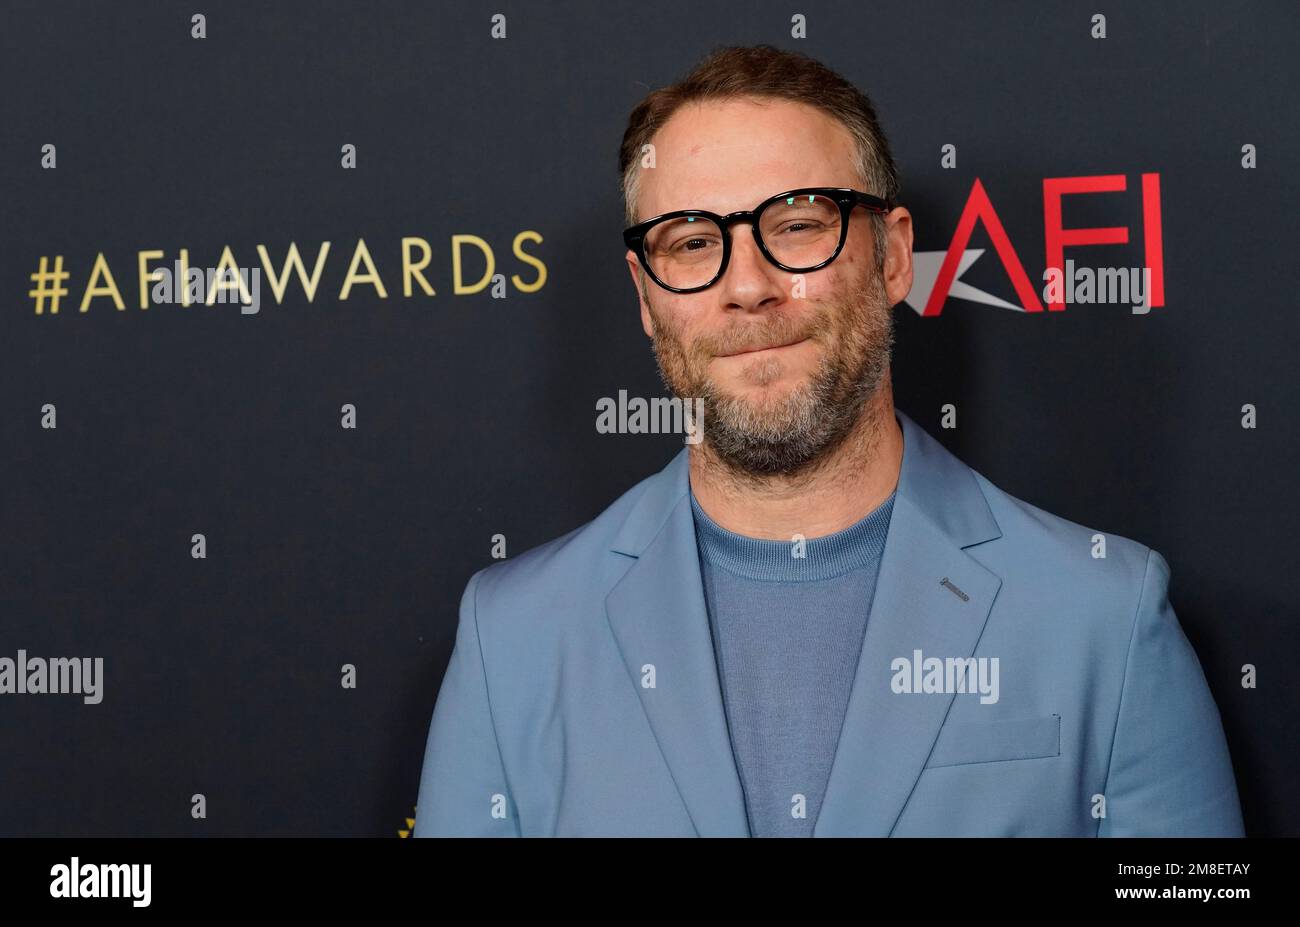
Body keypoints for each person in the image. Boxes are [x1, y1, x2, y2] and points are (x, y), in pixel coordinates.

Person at [414, 44, 1244, 837]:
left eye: (798, 223)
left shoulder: (1103, 615)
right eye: (694, 242)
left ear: (891, 256)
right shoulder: (512, 641)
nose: (749, 287)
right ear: (645, 296)